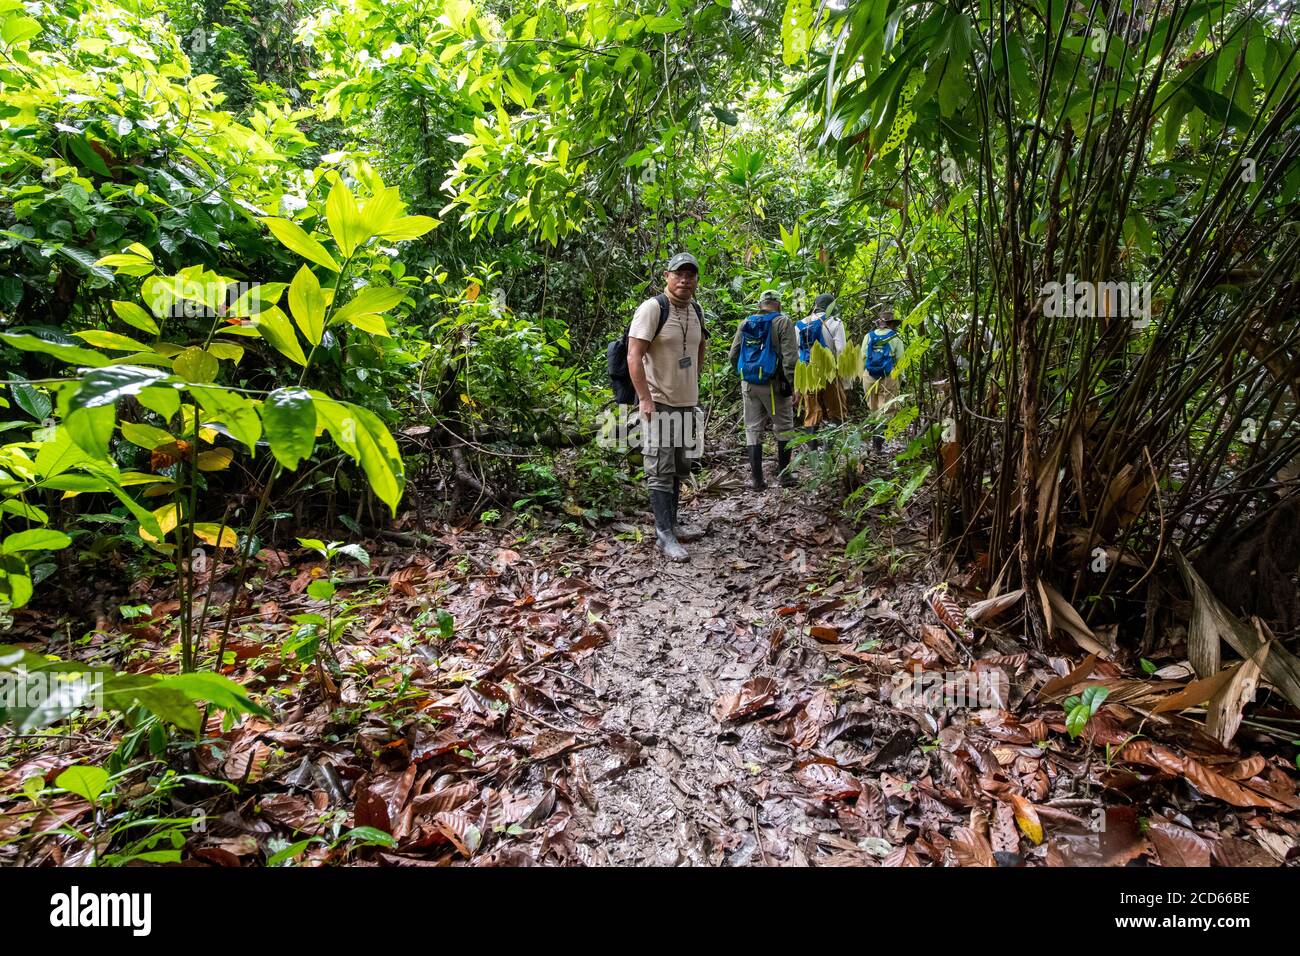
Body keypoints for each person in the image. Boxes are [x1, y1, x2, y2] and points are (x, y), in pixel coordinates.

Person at [627, 252, 709, 561]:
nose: (685, 279)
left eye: (690, 274)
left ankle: (672, 524)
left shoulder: (696, 310)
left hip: (687, 402)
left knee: (679, 467)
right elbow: (634, 356)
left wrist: (693, 381)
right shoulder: (653, 309)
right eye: (679, 274)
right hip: (659, 402)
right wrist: (645, 398)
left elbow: (701, 345)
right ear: (667, 276)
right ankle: (663, 535)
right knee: (660, 469)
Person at [728, 289, 797, 490]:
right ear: (778, 304)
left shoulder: (746, 323)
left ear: (760, 304)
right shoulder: (782, 322)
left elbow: (733, 354)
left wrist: (745, 373)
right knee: (784, 427)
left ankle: (757, 480)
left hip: (748, 384)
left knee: (752, 428)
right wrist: (790, 383)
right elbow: (790, 358)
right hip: (773, 384)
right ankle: (784, 476)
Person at [798, 292, 847, 428]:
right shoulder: (835, 323)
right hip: (829, 371)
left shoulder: (800, 324)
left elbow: (797, 351)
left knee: (811, 411)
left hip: (808, 372)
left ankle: (812, 447)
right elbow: (841, 350)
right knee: (836, 409)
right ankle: (831, 445)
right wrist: (842, 375)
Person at [861, 310, 905, 454]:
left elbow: (862, 357)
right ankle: (878, 446)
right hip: (888, 376)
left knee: (873, 409)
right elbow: (901, 361)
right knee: (886, 410)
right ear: (891, 324)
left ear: (879, 323)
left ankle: (875, 445)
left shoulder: (868, 336)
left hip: (869, 376)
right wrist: (902, 378)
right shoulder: (895, 338)